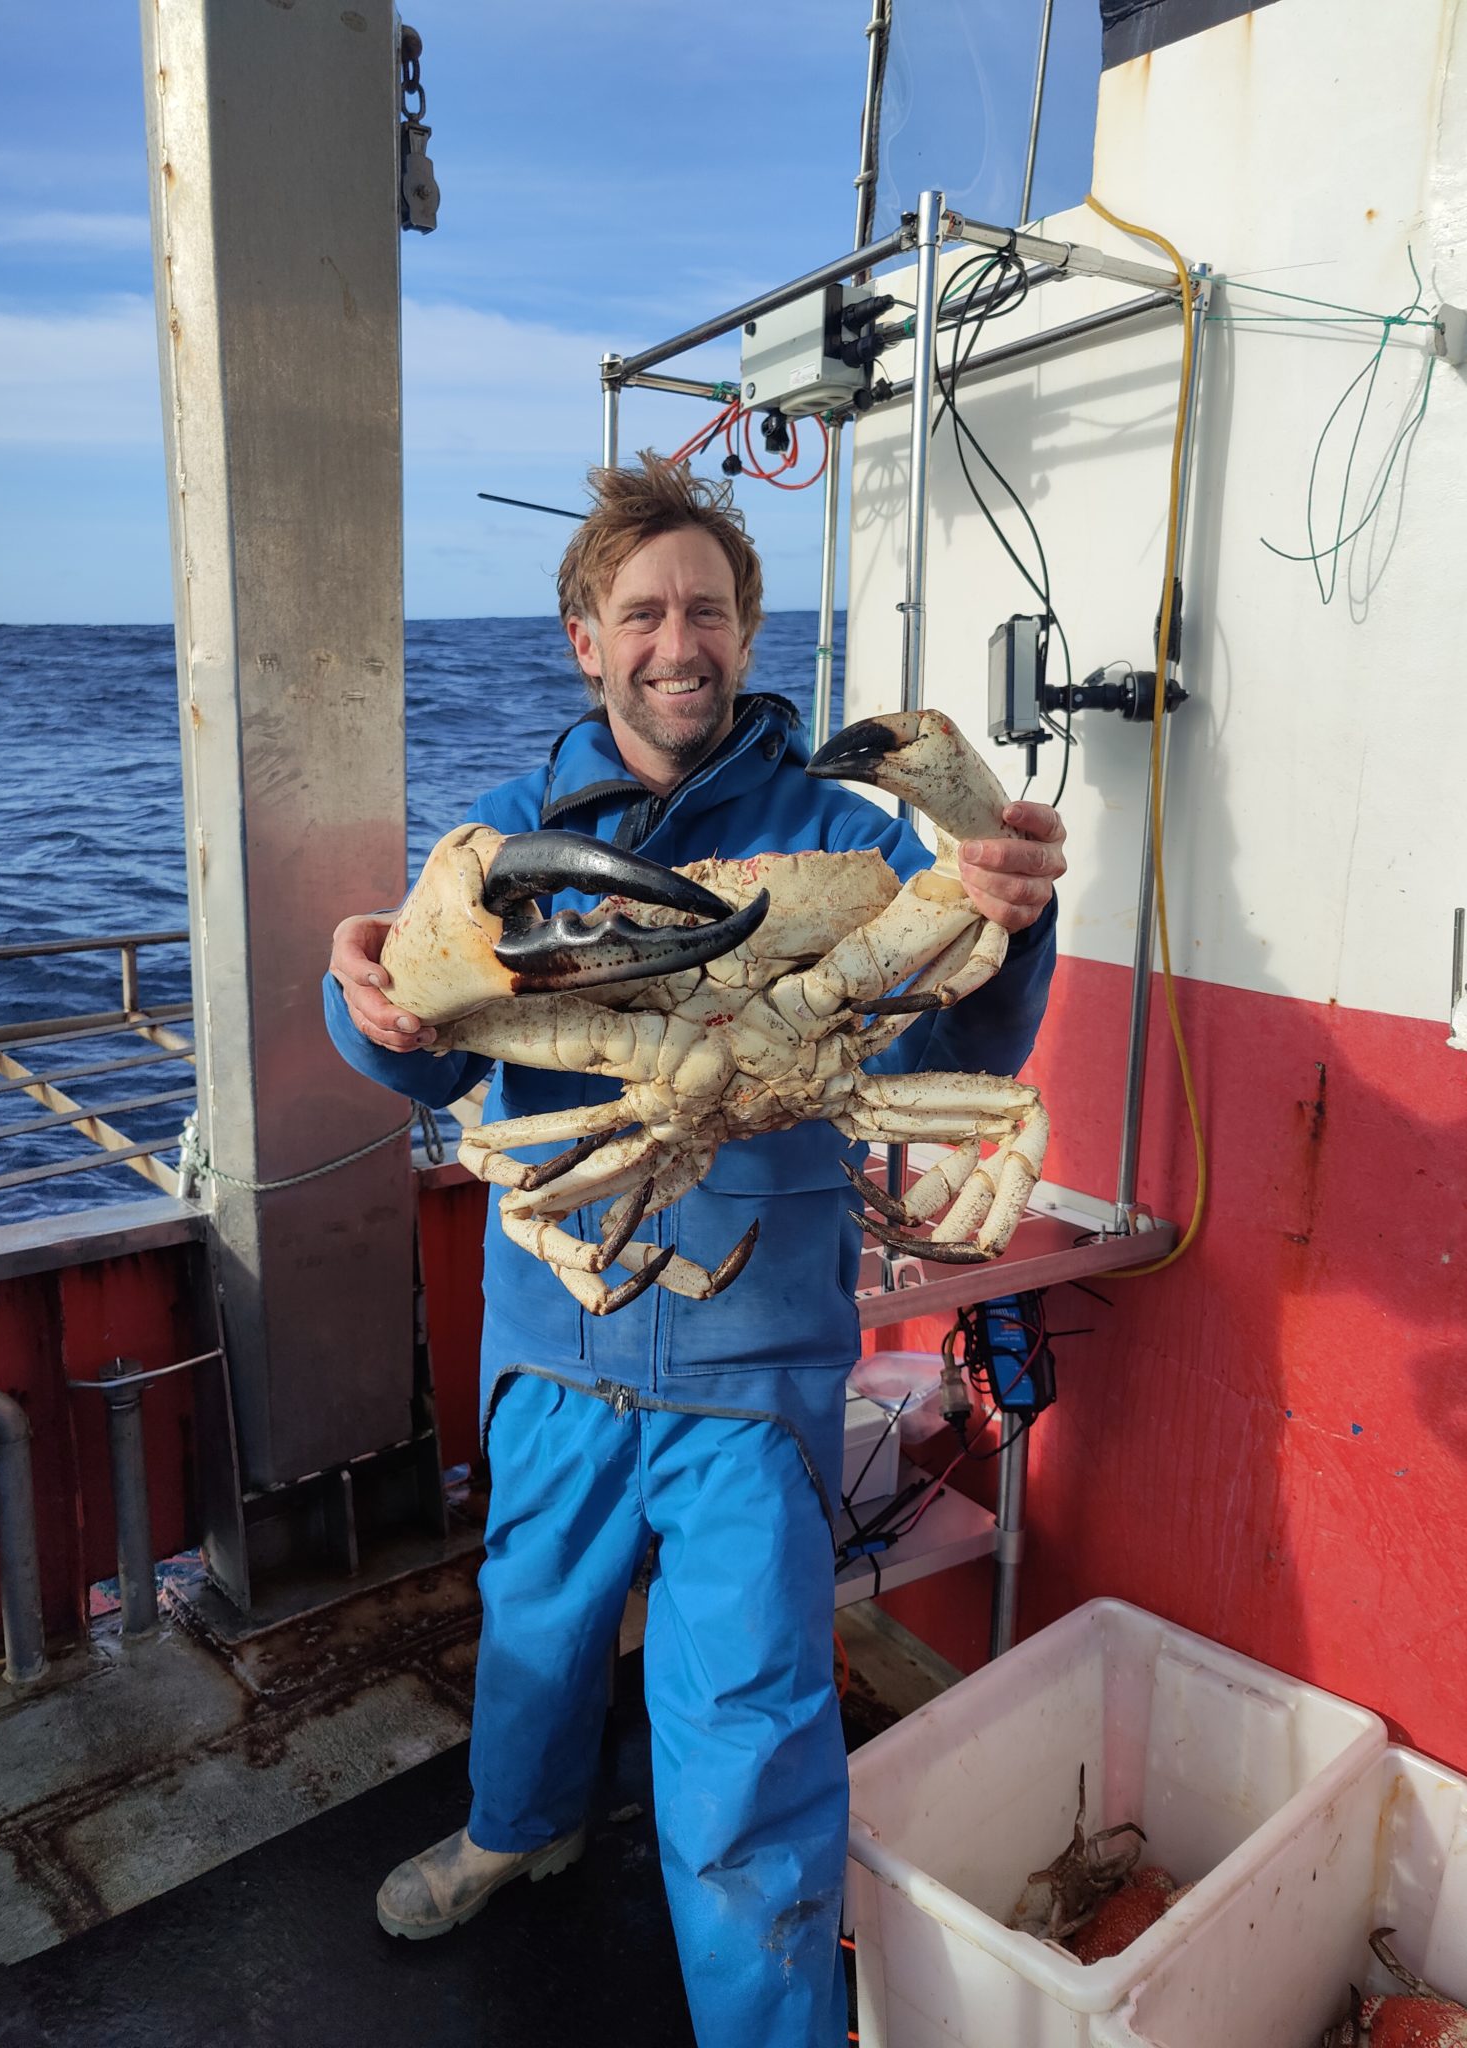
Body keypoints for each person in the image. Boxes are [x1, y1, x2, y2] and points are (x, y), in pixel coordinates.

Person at [325, 454, 1065, 2046]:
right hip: (552, 1339)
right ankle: (518, 1830)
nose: (682, 642)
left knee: (744, 1725)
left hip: (752, 1367)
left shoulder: (833, 831)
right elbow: (431, 1060)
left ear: (750, 635)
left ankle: (769, 2027)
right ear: (584, 639)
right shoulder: (512, 840)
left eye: (712, 611)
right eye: (643, 611)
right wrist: (366, 992)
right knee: (531, 1622)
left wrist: (1011, 900)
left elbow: (976, 1013)